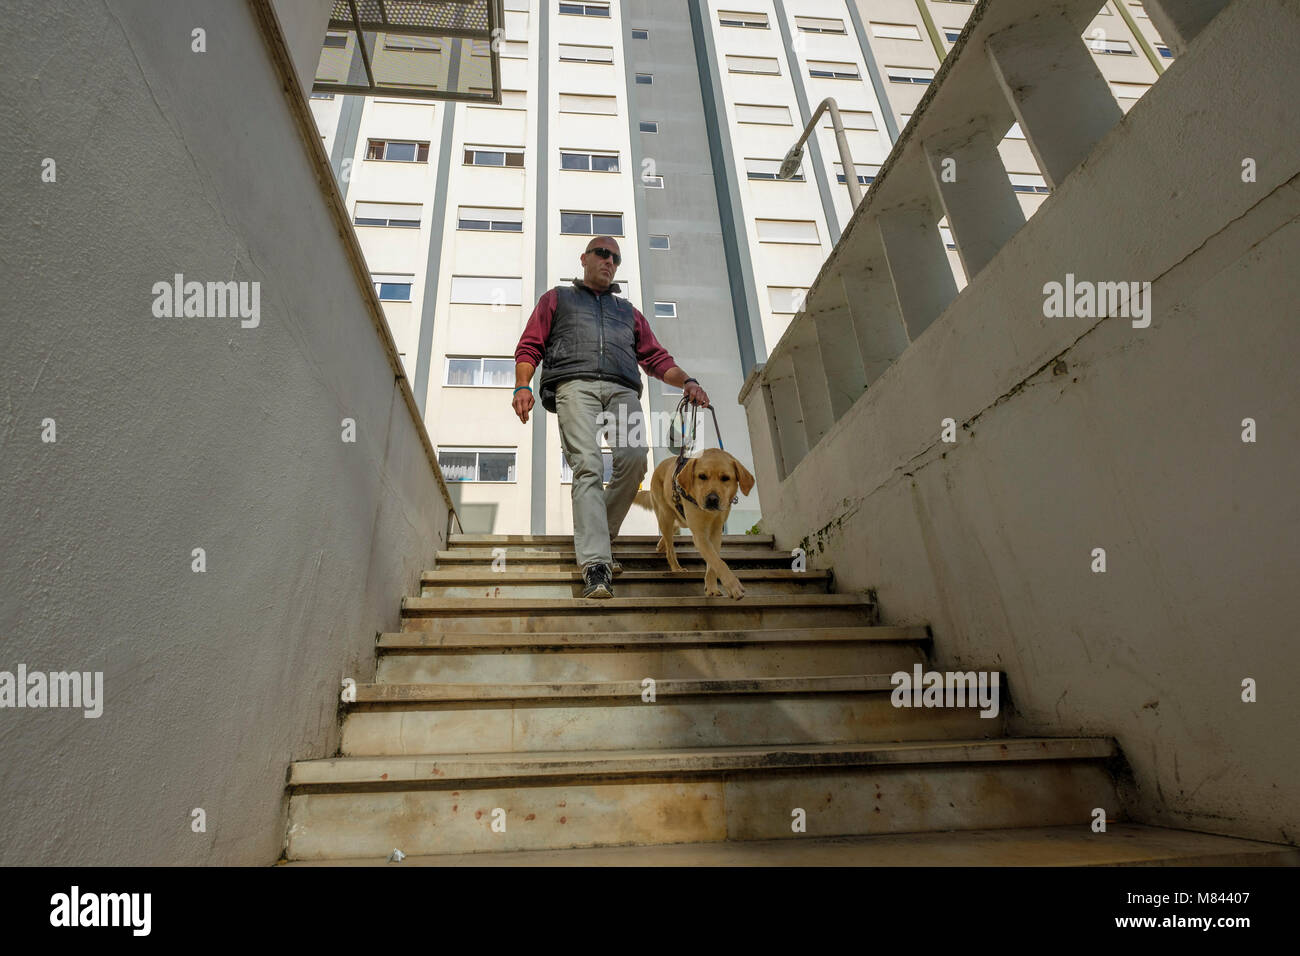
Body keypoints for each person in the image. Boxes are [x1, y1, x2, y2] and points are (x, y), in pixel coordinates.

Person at [512, 236, 710, 598]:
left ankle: (598, 536)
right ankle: (597, 565)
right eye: (602, 254)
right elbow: (530, 345)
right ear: (584, 258)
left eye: (615, 258)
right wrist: (522, 386)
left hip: (621, 389)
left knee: (635, 462)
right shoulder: (557, 299)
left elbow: (657, 359)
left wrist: (689, 381)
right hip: (574, 385)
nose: (609, 261)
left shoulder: (629, 312)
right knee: (587, 465)